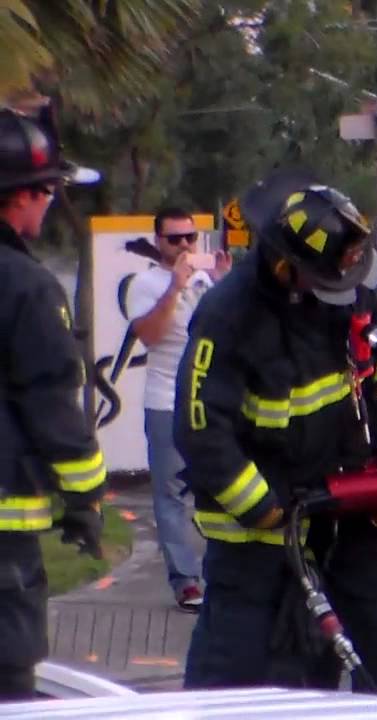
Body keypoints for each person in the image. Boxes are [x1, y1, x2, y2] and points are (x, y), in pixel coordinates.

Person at [174, 170, 377, 697]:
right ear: (284, 267)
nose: (340, 297)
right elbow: (201, 430)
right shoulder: (229, 317)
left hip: (346, 511)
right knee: (245, 679)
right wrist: (264, 507)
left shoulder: (358, 270)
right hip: (258, 538)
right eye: (322, 285)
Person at [0, 106, 106, 699]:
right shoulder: (27, 287)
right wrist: (86, 497)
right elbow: (54, 410)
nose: (49, 204)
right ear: (19, 196)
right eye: (47, 191)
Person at [125, 207, 231, 612]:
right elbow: (150, 336)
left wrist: (222, 285)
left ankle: (221, 573)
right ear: (159, 242)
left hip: (211, 400)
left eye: (191, 237)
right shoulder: (146, 283)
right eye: (175, 239)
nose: (186, 245)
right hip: (167, 401)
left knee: (220, 488)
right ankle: (186, 581)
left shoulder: (208, 282)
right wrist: (175, 287)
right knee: (170, 494)